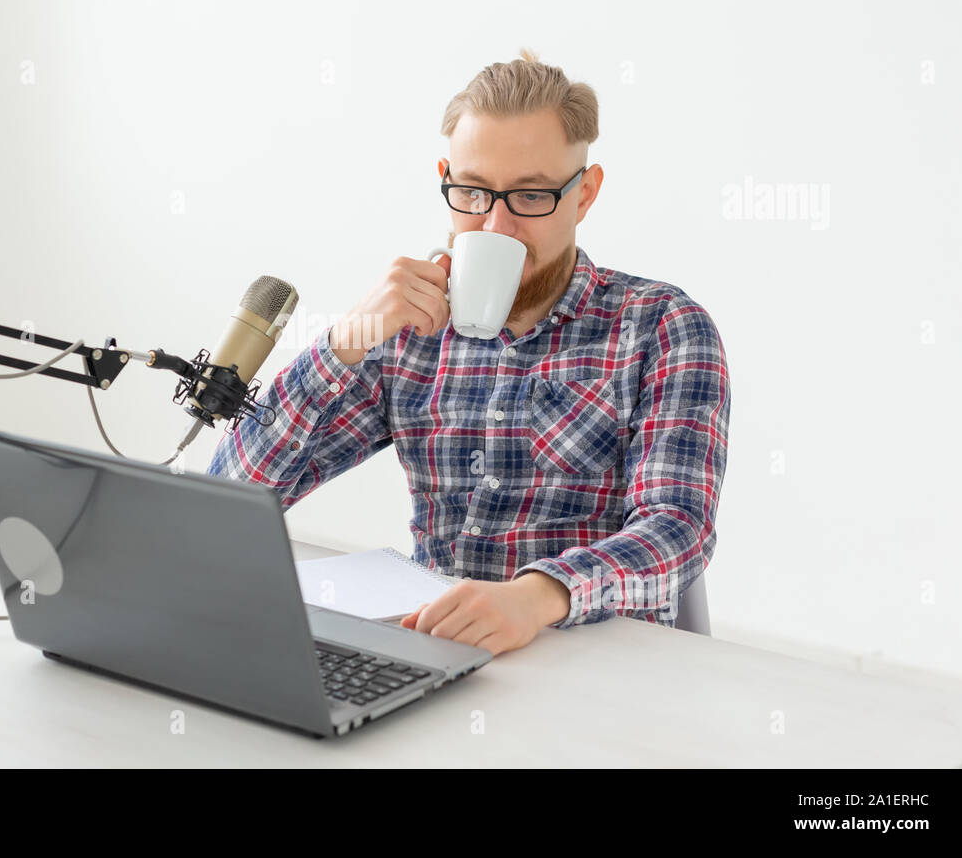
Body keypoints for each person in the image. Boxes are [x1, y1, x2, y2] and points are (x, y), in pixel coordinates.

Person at [206, 49, 730, 656]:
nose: (495, 227)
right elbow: (235, 497)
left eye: (532, 196)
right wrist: (341, 346)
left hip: (598, 664)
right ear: (446, 180)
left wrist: (536, 597)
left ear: (584, 194)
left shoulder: (662, 327)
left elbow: (676, 530)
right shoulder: (406, 327)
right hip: (442, 653)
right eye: (474, 193)